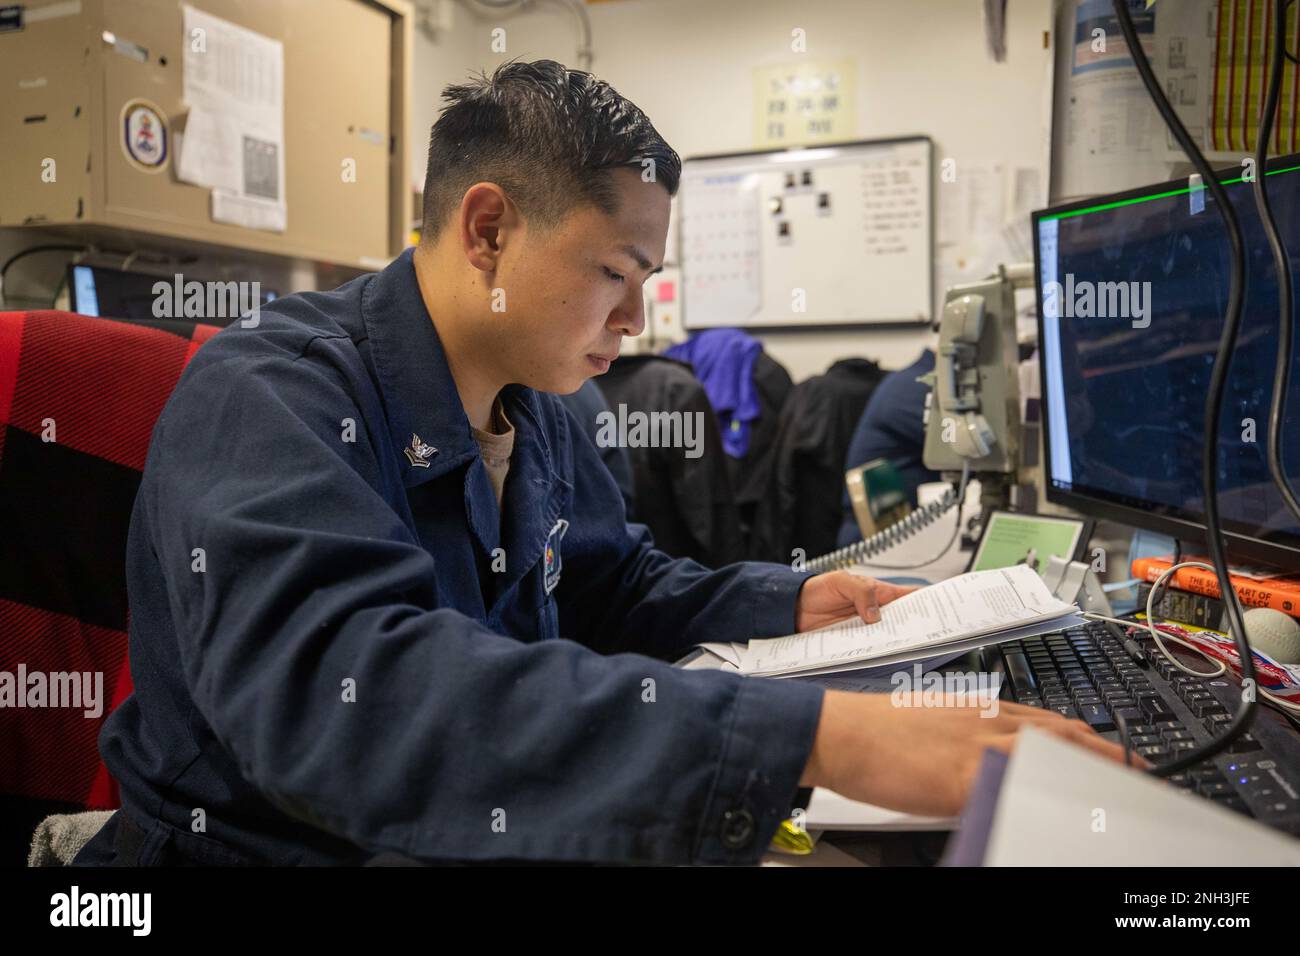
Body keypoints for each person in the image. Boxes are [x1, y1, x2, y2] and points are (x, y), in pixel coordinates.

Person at [73, 59, 1129, 867]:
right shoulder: (270, 392)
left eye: (649, 277)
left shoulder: (541, 400)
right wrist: (815, 735)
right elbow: (355, 693)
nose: (635, 317)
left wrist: (786, 600)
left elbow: (608, 583)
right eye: (616, 272)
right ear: (487, 227)